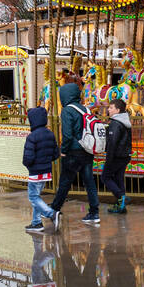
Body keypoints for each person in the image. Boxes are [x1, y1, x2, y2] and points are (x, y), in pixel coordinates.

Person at [46, 80, 100, 227]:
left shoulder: (67, 110)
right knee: (89, 181)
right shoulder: (86, 109)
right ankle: (94, 212)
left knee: (65, 181)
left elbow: (68, 134)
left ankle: (55, 208)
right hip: (87, 150)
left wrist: (63, 151)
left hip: (73, 151)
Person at [22, 103, 59, 233]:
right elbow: (56, 154)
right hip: (46, 171)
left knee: (33, 197)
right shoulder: (50, 134)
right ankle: (36, 223)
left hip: (35, 172)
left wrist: (28, 164)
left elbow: (28, 158)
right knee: (37, 197)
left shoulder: (32, 137)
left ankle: (51, 214)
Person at [101, 97, 132, 215]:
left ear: (118, 110)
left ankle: (121, 197)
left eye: (111, 107)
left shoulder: (115, 123)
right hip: (125, 155)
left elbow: (113, 142)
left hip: (117, 155)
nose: (109, 109)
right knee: (119, 178)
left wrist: (109, 158)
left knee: (105, 177)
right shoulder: (125, 122)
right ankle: (121, 206)